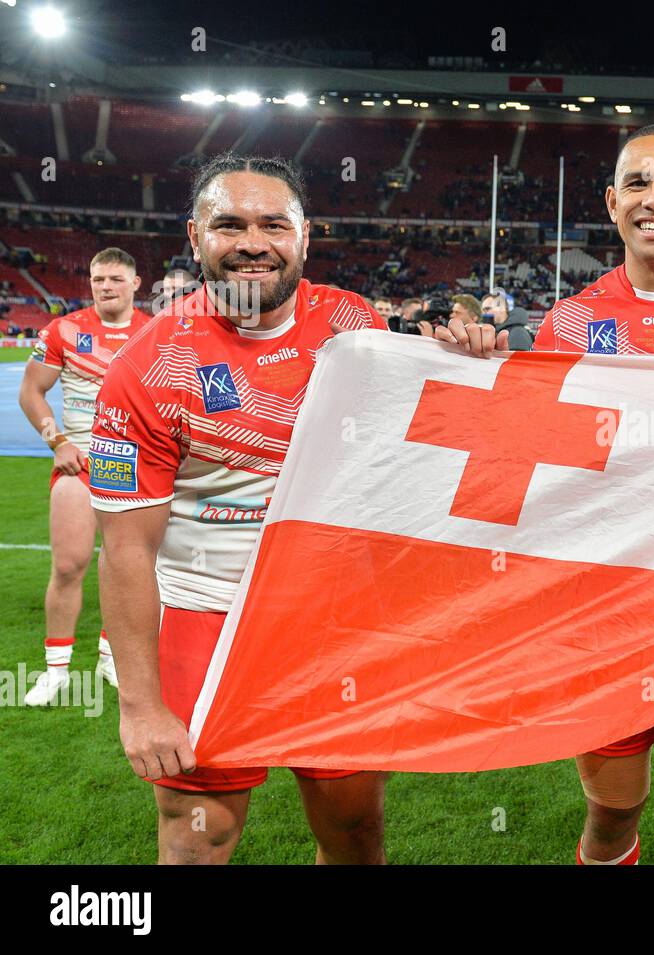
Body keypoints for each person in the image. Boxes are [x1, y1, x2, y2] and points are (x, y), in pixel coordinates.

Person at [438, 123, 654, 866]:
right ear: (610, 202)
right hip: (601, 613)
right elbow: (529, 474)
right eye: (636, 183)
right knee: (612, 813)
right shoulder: (571, 324)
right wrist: (474, 371)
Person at [89, 154, 388, 865]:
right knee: (199, 841)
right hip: (203, 622)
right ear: (196, 238)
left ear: (304, 237)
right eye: (229, 223)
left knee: (354, 836)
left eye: (272, 224)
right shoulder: (146, 366)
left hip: (331, 622)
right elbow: (126, 549)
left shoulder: (356, 324)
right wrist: (139, 705)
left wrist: (468, 348)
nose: (252, 241)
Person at [18, 247, 150, 705]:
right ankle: (56, 670)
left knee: (128, 568)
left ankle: (111, 655)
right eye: (98, 280)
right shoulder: (65, 329)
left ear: (135, 283)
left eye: (115, 278)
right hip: (78, 462)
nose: (106, 286)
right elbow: (31, 392)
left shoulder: (155, 332)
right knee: (69, 565)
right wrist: (59, 442)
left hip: (133, 469)